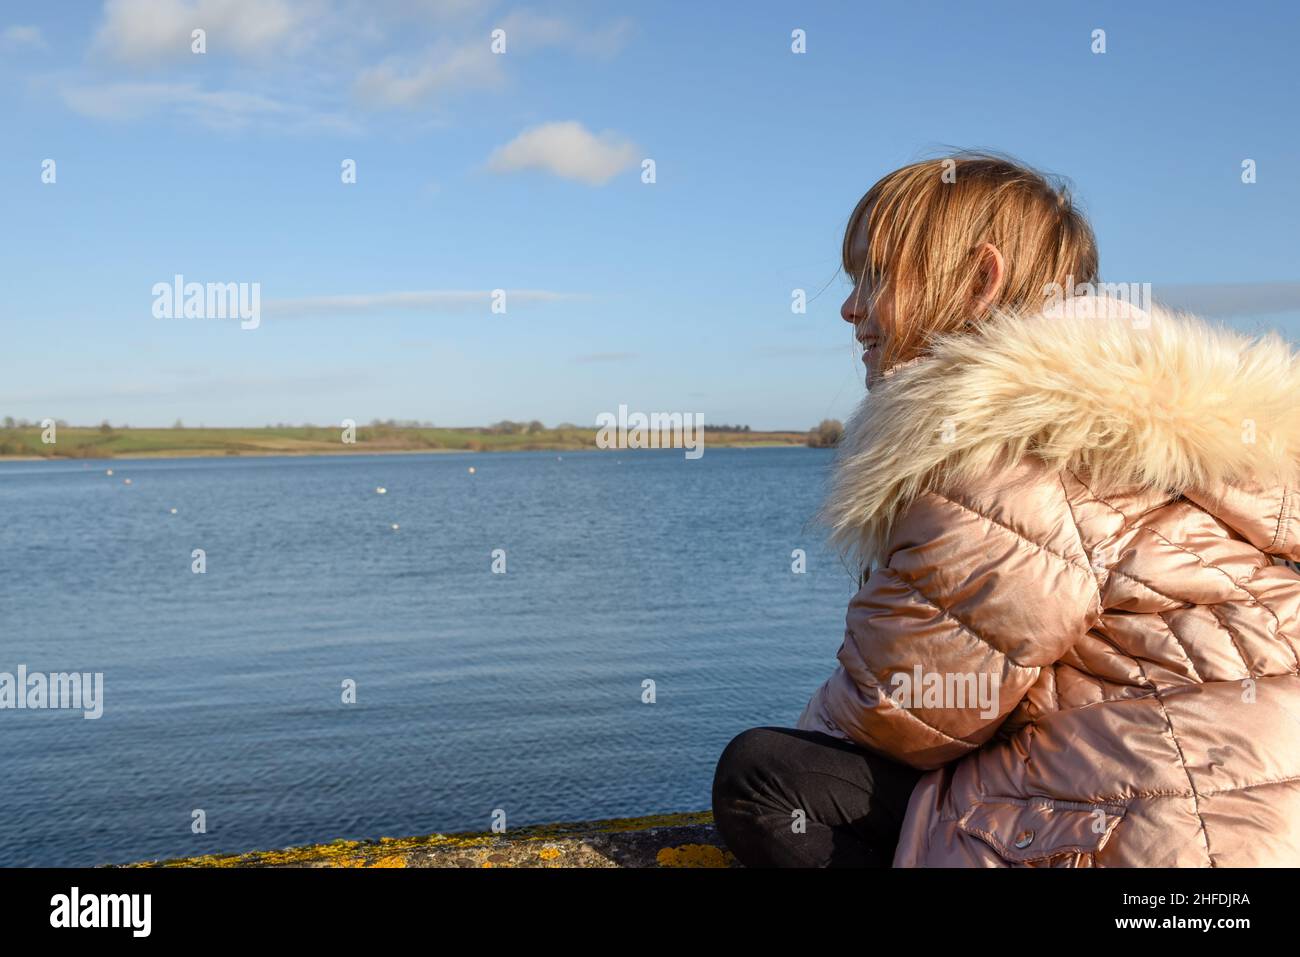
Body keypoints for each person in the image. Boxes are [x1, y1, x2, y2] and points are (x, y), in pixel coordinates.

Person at [713, 153, 1300, 867]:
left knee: (764, 777)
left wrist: (813, 736)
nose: (850, 307)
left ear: (980, 282)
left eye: (875, 275)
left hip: (1174, 842)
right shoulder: (1177, 435)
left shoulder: (1003, 451)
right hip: (1261, 808)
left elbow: (907, 710)